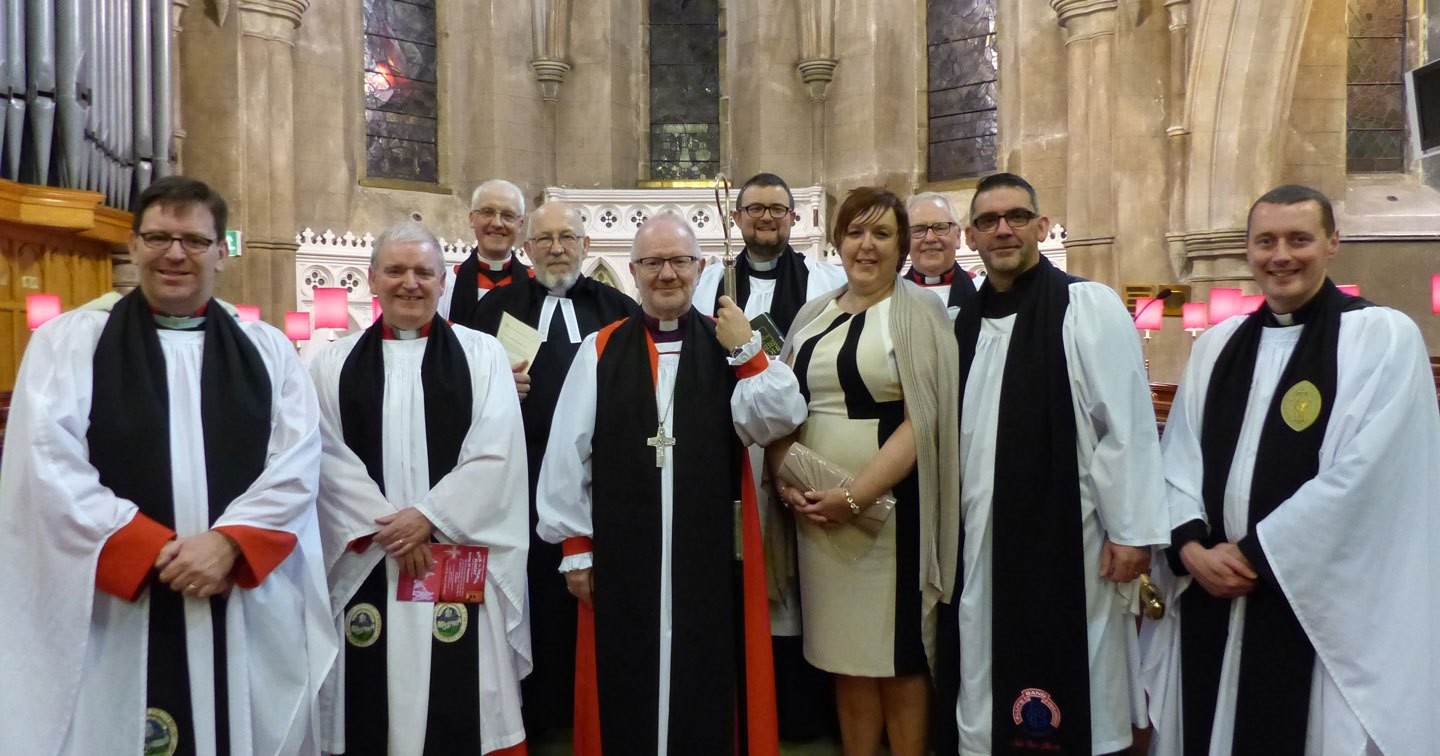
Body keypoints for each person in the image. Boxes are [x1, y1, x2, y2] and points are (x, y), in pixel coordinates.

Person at [0, 176, 336, 755]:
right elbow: (45, 464)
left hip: (238, 597)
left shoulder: (267, 349)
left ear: (221, 253)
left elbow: (298, 462)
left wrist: (229, 544)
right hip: (121, 604)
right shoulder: (71, 342)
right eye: (157, 237)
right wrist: (152, 548)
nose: (174, 253)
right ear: (132, 247)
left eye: (194, 240)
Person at [1141, 185, 1440, 755]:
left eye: (1299, 239)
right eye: (1266, 241)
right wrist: (1190, 550)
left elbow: (1367, 479)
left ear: (1332, 243)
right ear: (1249, 250)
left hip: (1312, 602)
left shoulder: (1381, 338)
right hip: (1212, 593)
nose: (1281, 255)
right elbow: (1177, 459)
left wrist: (1256, 553)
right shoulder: (1218, 346)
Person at [536, 213, 807, 755]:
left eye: (679, 261)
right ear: (632, 272)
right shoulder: (600, 350)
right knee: (625, 677)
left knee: (707, 675)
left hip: (709, 557)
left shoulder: (730, 345)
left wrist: (748, 352)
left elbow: (779, 418)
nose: (666, 275)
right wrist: (575, 547)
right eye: (653, 263)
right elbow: (566, 454)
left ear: (699, 268)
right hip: (622, 554)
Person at [939, 172, 1167, 756]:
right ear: (971, 236)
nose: (1003, 230)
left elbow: (1127, 425)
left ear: (1042, 226)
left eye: (1016, 217)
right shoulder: (961, 323)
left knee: (1078, 672)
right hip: (979, 533)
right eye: (988, 221)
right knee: (983, 657)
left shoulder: (1084, 307)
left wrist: (1131, 531)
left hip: (1074, 533)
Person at [309, 221, 531, 755]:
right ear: (372, 280)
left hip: (454, 554)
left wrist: (428, 517)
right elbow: (324, 458)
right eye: (396, 270)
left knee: (461, 699)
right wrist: (395, 528)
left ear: (443, 280)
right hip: (369, 557)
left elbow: (496, 452)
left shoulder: (482, 356)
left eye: (423, 272)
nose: (410, 283)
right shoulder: (331, 363)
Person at [771, 187, 960, 756]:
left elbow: (924, 420)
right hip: (815, 518)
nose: (866, 245)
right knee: (844, 659)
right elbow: (782, 404)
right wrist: (786, 481)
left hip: (891, 518)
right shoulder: (813, 312)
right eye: (855, 232)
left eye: (881, 233)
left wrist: (854, 496)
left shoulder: (917, 311)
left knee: (896, 659)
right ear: (837, 240)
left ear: (901, 245)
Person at [468, 200, 637, 739]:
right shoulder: (495, 308)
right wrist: (496, 390)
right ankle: (533, 715)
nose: (557, 248)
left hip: (597, 483)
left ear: (587, 246)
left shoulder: (617, 305)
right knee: (531, 593)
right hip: (516, 477)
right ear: (527, 249)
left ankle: (596, 711)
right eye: (544, 239)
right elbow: (464, 384)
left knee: (591, 594)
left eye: (568, 237)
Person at [692, 171, 846, 742]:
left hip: (802, 449)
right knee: (739, 585)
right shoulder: (708, 282)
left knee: (804, 588)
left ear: (794, 218)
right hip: (728, 454)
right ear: (736, 218)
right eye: (754, 209)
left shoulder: (824, 282)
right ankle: (741, 707)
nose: (765, 218)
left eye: (777, 209)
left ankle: (801, 715)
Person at [442, 178, 533, 325]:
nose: (497, 223)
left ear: (520, 225)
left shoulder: (535, 286)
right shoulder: (445, 283)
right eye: (487, 212)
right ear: (472, 219)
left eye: (508, 215)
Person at [903, 192, 979, 315]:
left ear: (958, 237)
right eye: (918, 230)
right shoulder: (889, 298)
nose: (930, 238)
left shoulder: (982, 289)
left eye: (940, 228)